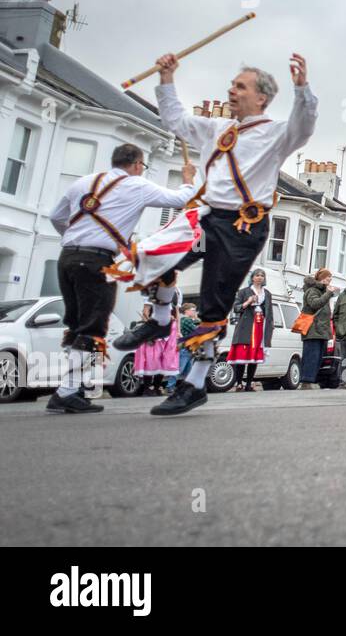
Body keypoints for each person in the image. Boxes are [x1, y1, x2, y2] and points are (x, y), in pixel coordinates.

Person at [114, 52, 317, 418]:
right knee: (156, 256)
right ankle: (160, 322)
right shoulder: (215, 128)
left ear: (261, 98)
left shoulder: (275, 133)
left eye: (241, 86)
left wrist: (302, 89)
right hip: (206, 218)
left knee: (213, 304)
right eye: (232, 85)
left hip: (243, 226)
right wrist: (166, 78)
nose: (232, 90)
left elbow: (304, 127)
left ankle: (194, 386)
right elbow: (174, 119)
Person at [47, 142, 197, 413]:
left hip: (66, 257)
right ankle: (67, 392)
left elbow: (56, 217)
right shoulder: (136, 185)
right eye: (143, 166)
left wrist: (77, 238)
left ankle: (72, 386)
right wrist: (188, 179)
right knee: (93, 327)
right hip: (97, 262)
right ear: (138, 165)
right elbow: (179, 200)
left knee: (77, 324)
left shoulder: (83, 182)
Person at [229, 268, 272, 391]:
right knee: (242, 356)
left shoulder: (267, 293)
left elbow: (269, 312)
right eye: (257, 275)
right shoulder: (243, 292)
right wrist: (248, 302)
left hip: (260, 325)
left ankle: (248, 383)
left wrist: (270, 327)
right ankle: (239, 383)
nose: (259, 277)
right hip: (246, 326)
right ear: (252, 278)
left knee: (254, 357)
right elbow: (236, 308)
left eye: (262, 275)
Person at [300, 269, 335, 390]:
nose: (329, 279)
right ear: (320, 278)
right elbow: (315, 304)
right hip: (312, 329)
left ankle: (311, 380)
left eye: (330, 277)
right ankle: (306, 381)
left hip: (321, 330)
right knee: (311, 356)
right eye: (327, 277)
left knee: (319, 357)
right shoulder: (312, 290)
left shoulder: (323, 291)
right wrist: (328, 293)